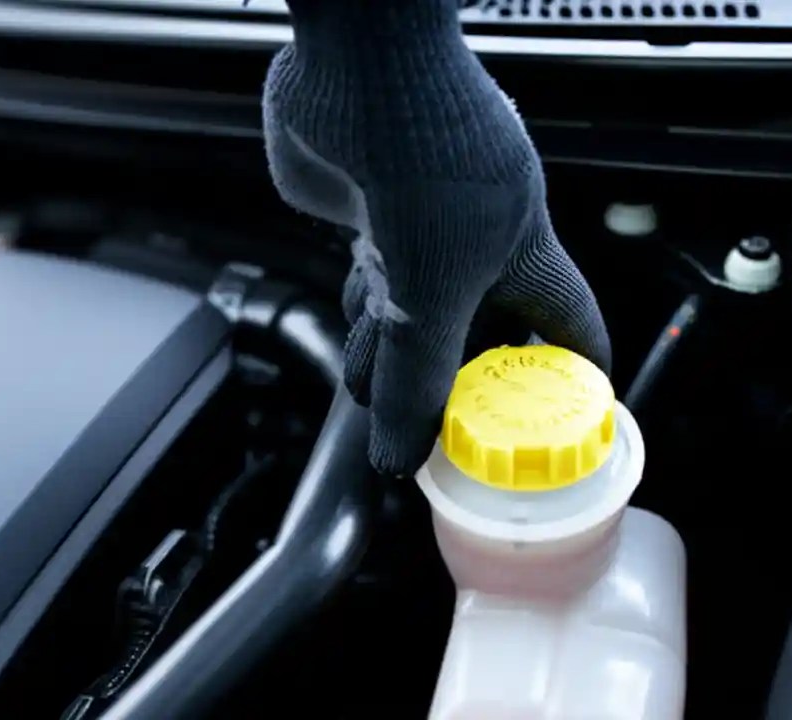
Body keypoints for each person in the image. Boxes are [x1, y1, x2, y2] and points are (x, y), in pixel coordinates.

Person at [262, 0, 611, 476]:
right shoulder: (436, 165)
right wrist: (426, 131)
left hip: (327, 106)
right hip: (393, 131)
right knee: (403, 419)